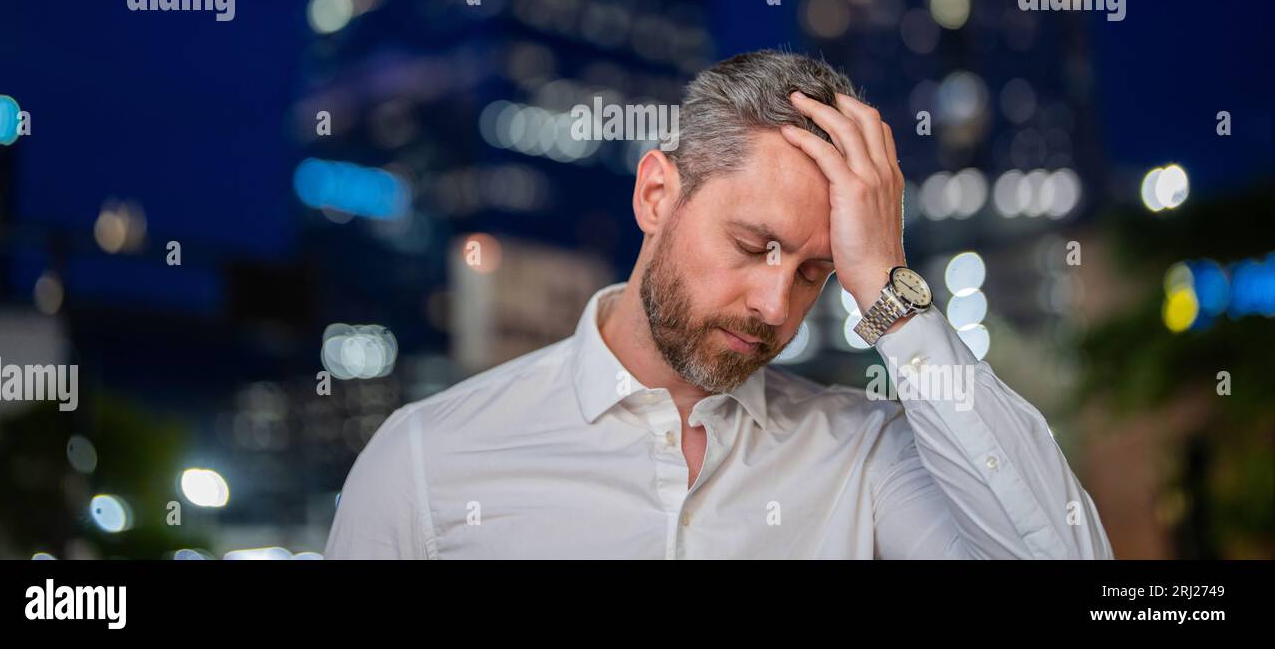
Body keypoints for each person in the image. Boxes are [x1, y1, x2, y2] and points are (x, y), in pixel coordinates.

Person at [325, 50, 1114, 558]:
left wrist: (888, 287)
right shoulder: (425, 460)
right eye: (752, 244)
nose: (775, 305)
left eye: (817, 272)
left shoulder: (864, 454)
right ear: (656, 194)